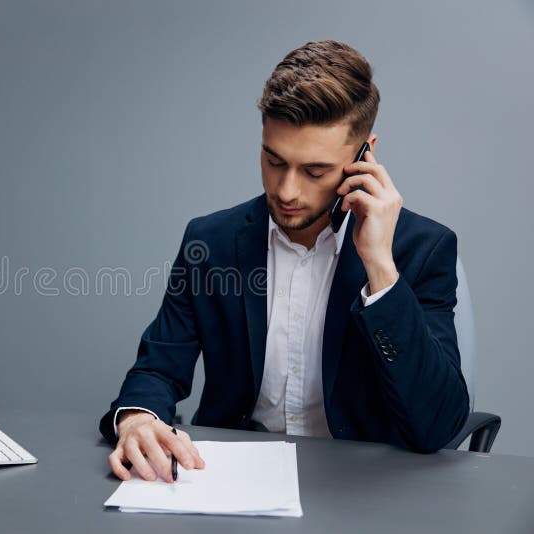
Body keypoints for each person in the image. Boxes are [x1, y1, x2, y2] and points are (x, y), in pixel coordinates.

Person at [99, 40, 470, 483]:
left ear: (364, 156)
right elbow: (158, 366)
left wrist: (380, 269)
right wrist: (138, 418)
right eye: (274, 161)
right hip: (230, 480)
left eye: (315, 171)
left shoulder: (422, 249)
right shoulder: (211, 241)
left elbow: (438, 425)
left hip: (362, 487)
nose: (287, 191)